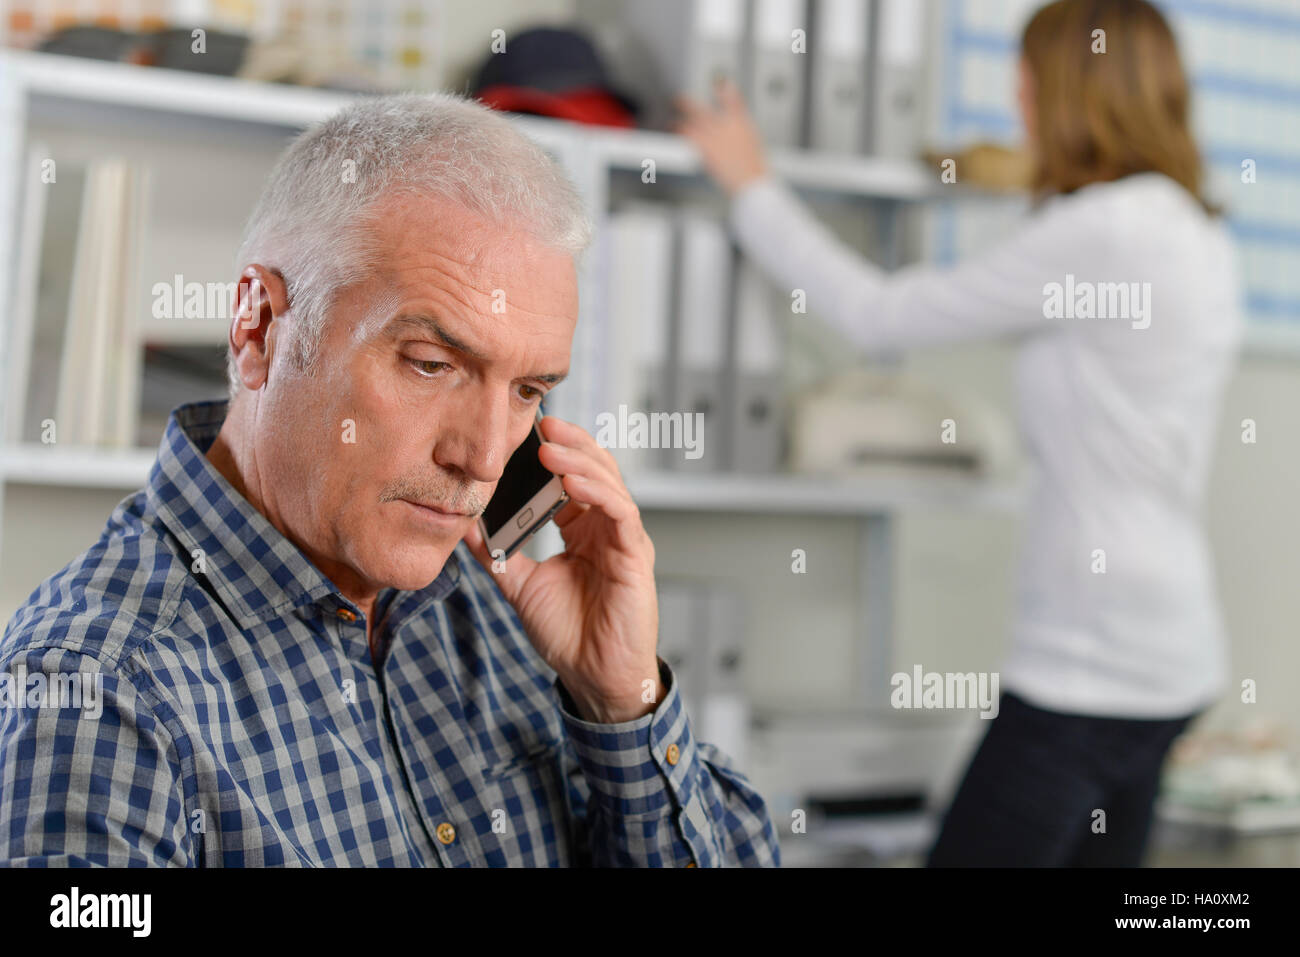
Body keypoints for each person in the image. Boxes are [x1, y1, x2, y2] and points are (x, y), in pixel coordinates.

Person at [0, 92, 779, 867]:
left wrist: (620, 702)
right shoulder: (94, 691)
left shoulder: (501, 602)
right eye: (432, 364)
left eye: (528, 391)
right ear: (259, 329)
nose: (483, 458)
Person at [677, 0, 1241, 866]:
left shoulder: (1096, 232)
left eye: (1027, 82)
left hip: (1090, 659)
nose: (1018, 99)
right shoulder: (1193, 227)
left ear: (1070, 93)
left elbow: (878, 314)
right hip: (1175, 650)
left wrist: (752, 185)